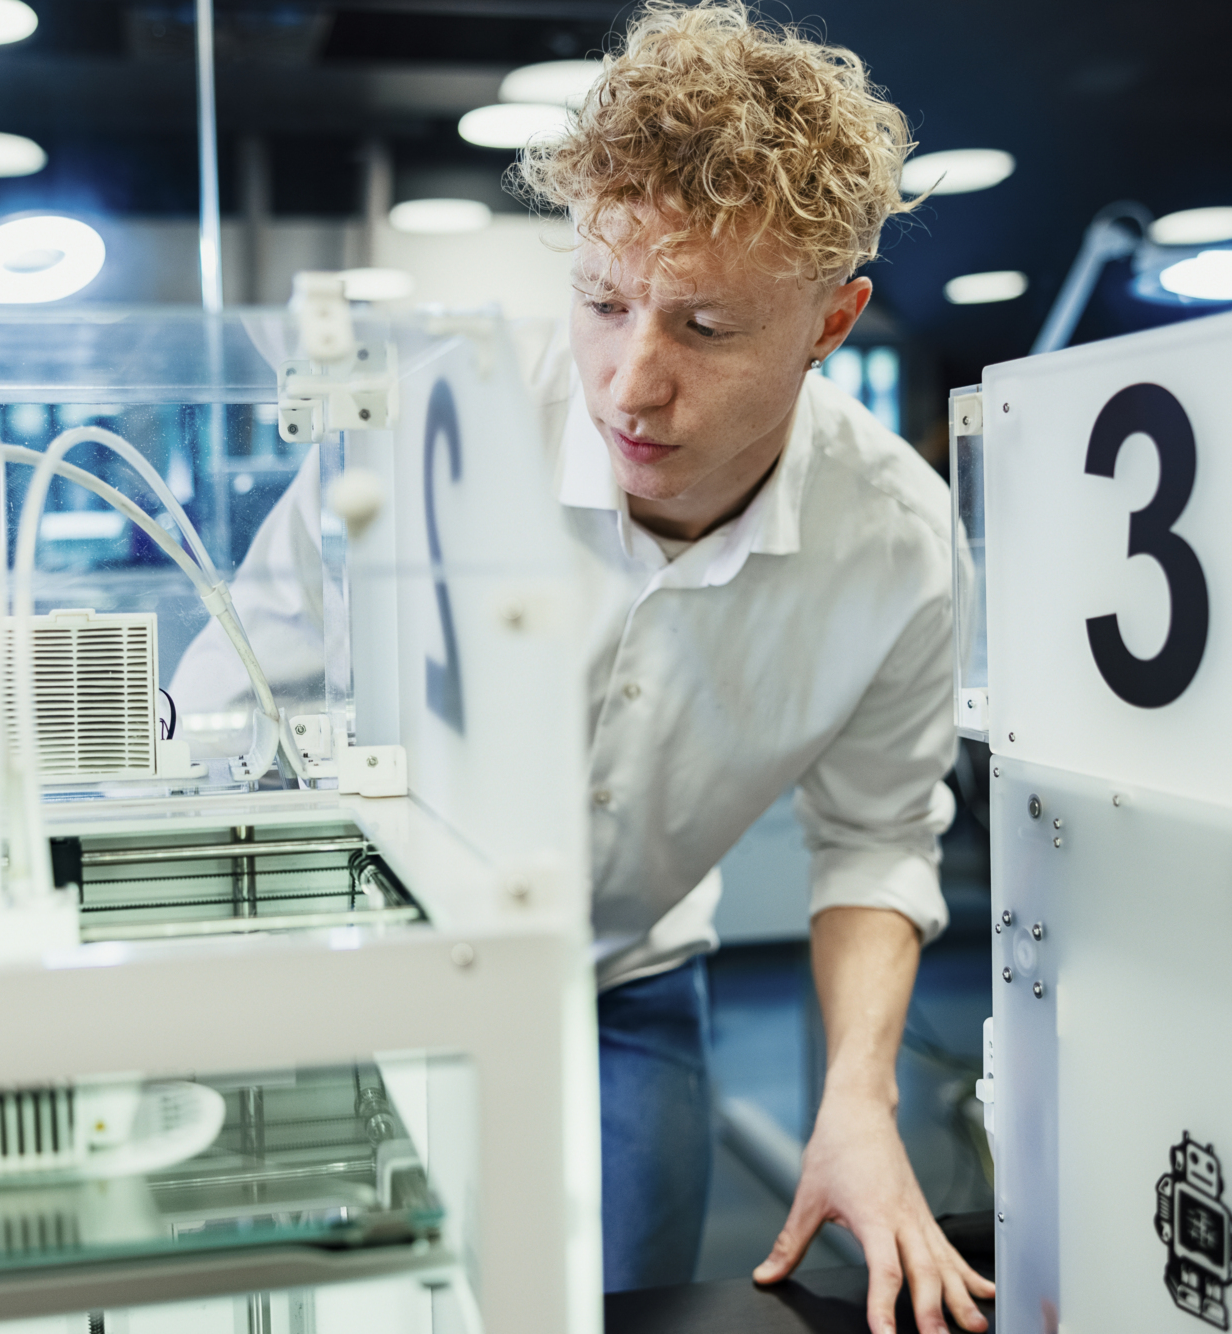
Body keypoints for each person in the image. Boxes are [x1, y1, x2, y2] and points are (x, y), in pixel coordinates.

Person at [172, 4, 992, 1331]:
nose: (632, 382)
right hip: (374, 960)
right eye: (604, 303)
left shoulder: (893, 544)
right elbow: (223, 696)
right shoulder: (431, 425)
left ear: (830, 324)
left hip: (630, 983)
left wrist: (859, 1098)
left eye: (708, 329)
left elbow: (878, 839)